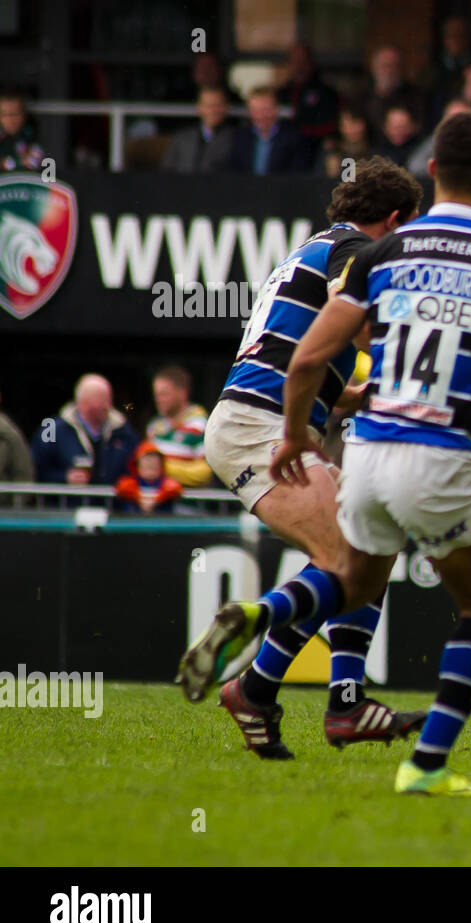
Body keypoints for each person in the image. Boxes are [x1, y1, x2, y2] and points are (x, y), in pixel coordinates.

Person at [184, 111, 471, 796]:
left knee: (358, 572)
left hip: (335, 436)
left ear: (436, 172)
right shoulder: (408, 255)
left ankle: (286, 683)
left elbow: (314, 357)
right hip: (312, 432)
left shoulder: (343, 253)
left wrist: (316, 417)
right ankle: (364, 721)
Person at [180, 157, 427, 758]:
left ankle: (269, 692)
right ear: (393, 220)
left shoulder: (308, 250)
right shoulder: (352, 252)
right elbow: (353, 300)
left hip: (256, 417)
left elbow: (290, 354)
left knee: (373, 540)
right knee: (353, 557)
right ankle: (287, 663)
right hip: (261, 427)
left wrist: (355, 394)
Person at [32, 374, 138, 486]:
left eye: (109, 398)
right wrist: (64, 477)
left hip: (112, 503)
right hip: (67, 502)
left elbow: (136, 469)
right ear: (84, 402)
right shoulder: (52, 430)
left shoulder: (123, 431)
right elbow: (37, 469)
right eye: (102, 399)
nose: (108, 405)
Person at [147, 365, 211, 488]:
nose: (158, 399)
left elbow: (205, 473)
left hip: (187, 505)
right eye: (156, 395)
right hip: (156, 504)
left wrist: (162, 468)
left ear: (182, 393)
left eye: (164, 394)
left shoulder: (200, 426)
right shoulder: (154, 426)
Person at [228, 86, 311, 174]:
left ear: (276, 109)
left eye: (266, 110)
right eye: (256, 110)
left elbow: (297, 174)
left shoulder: (294, 138)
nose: (262, 116)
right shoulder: (240, 137)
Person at [277, 43, 339, 151]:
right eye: (294, 61)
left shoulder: (326, 93)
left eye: (302, 61)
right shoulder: (281, 93)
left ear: (310, 62)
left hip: (315, 149)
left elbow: (330, 126)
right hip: (284, 150)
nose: (299, 66)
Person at [162, 87, 236, 173]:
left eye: (217, 105)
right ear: (199, 108)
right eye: (208, 106)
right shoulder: (182, 138)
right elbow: (166, 170)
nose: (212, 111)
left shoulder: (236, 139)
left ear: (226, 107)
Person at [114, 442, 184, 514]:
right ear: (137, 464)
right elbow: (122, 487)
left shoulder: (167, 484)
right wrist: (139, 499)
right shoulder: (129, 483)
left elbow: (175, 488)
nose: (150, 464)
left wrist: (156, 500)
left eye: (155, 462)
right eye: (146, 461)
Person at [320, 100, 373, 178]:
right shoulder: (331, 152)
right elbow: (315, 183)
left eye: (355, 123)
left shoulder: (377, 152)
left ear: (364, 124)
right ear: (340, 127)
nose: (351, 130)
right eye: (346, 125)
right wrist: (331, 175)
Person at [0, 90, 46, 172]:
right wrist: (19, 161)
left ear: (24, 115)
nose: (10, 119)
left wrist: (8, 162)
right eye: (4, 114)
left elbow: (35, 161)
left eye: (15, 114)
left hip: (23, 181)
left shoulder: (30, 134)